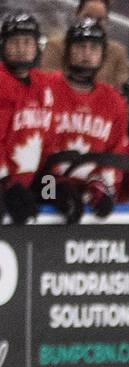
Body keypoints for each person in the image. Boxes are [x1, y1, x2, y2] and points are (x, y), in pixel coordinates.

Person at [43, 18, 128, 223]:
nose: (87, 53)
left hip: (90, 197)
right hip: (46, 191)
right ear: (68, 52)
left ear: (102, 56)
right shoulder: (46, 87)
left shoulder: (115, 101)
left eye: (93, 48)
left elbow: (115, 154)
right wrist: (53, 185)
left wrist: (103, 185)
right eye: (80, 46)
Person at [0, 12, 55, 225]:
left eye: (27, 42)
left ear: (37, 47)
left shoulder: (44, 86)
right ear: (3, 46)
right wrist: (6, 184)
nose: (22, 49)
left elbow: (49, 149)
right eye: (15, 42)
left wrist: (51, 189)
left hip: (25, 187)